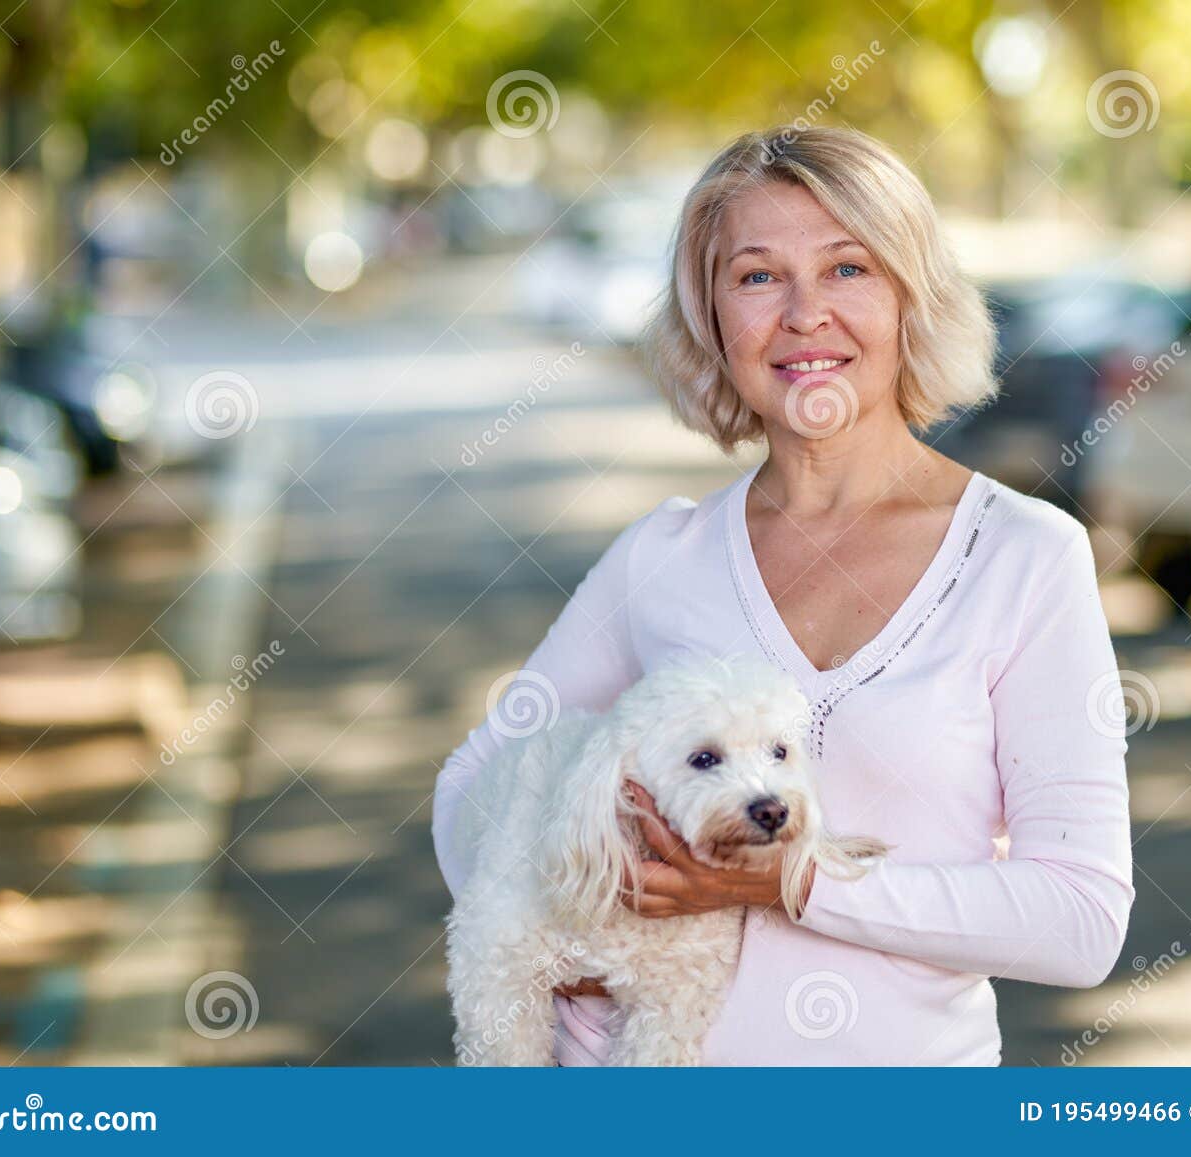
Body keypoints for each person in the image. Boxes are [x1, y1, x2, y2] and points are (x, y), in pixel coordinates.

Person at [433, 126, 1133, 1065]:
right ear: (713, 320)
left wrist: (789, 884)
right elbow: (474, 785)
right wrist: (569, 948)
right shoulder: (663, 557)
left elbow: (1079, 920)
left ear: (910, 300)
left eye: (849, 269)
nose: (806, 314)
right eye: (758, 276)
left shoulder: (1025, 557)